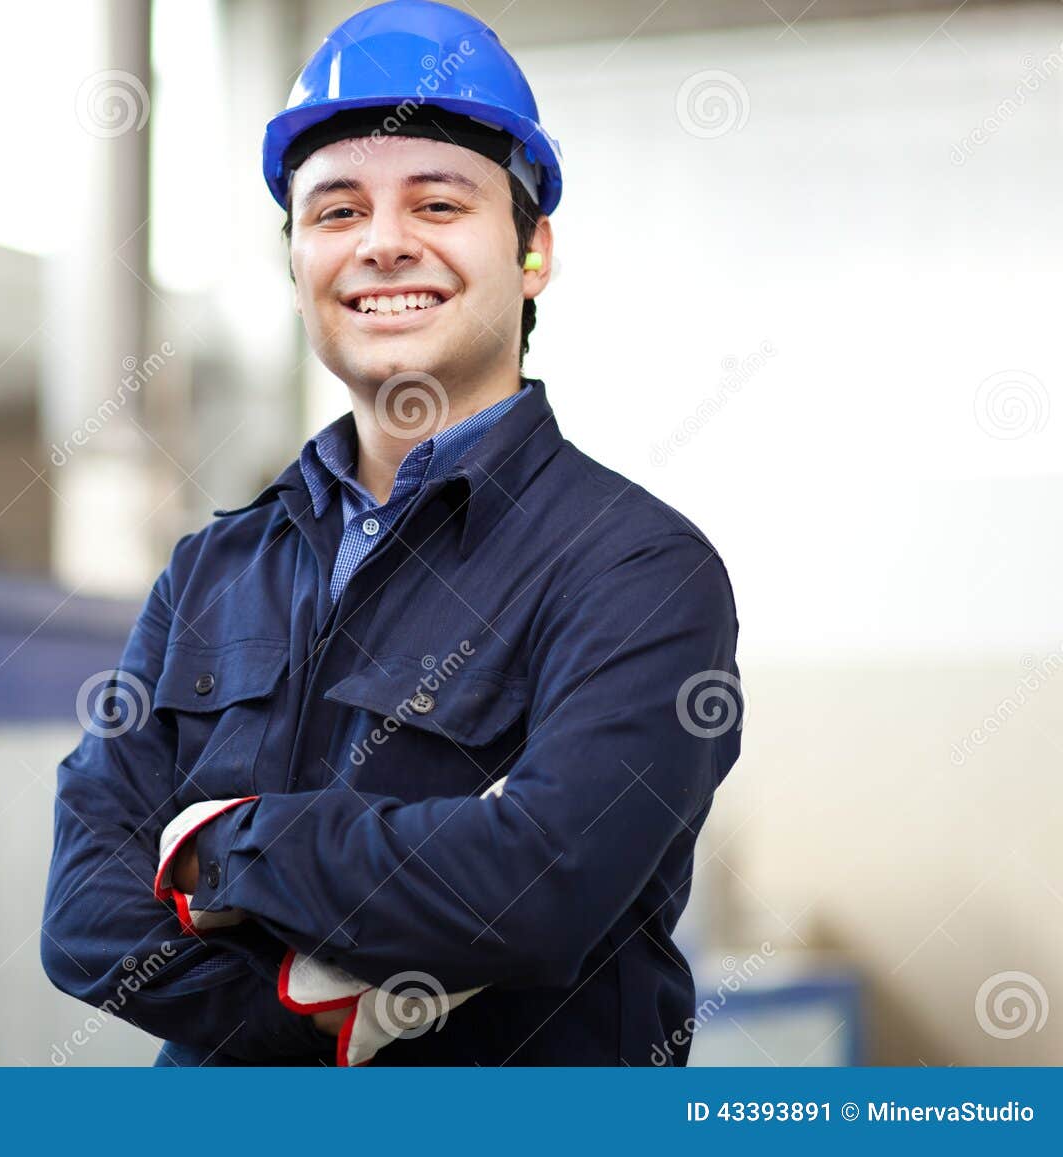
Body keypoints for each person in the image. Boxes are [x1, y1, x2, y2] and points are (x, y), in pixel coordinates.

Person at [42, 0, 743, 1066]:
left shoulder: (636, 568)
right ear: (294, 265)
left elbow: (536, 889)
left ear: (532, 251)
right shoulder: (210, 570)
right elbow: (84, 919)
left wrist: (216, 842)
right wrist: (323, 1013)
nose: (380, 243)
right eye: (333, 212)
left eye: (438, 200)